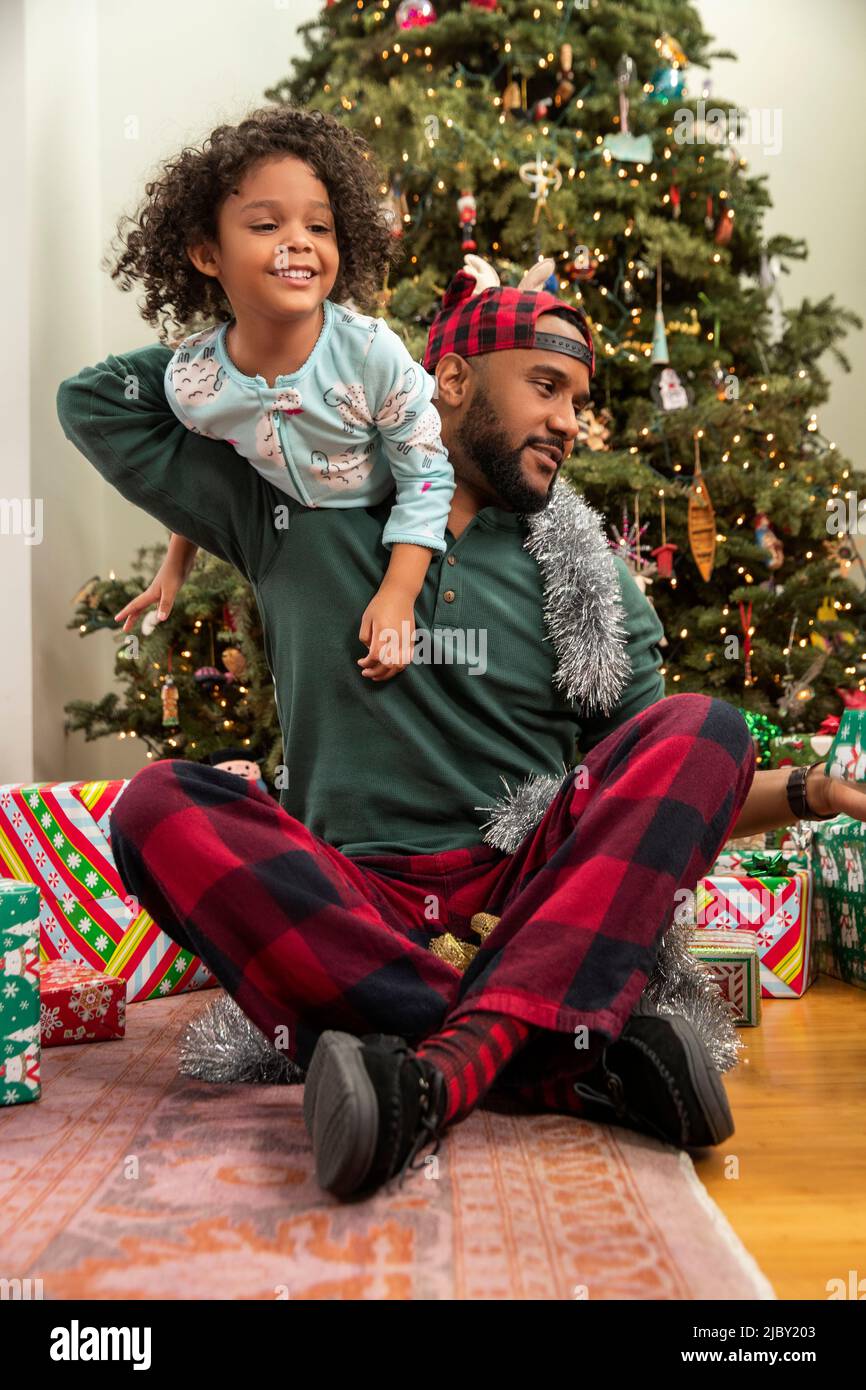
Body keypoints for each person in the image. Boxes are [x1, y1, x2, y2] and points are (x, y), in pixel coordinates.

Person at [56, 202, 847, 1205]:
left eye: (579, 399)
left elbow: (648, 804)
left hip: (530, 892)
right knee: (158, 807)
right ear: (455, 380)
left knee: (710, 727)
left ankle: (434, 1070)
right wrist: (276, 325)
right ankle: (565, 1052)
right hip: (357, 900)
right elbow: (95, 403)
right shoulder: (296, 502)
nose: (569, 420)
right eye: (547, 387)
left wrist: (816, 788)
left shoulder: (595, 585)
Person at [108, 106, 455, 681]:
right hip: (296, 532)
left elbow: (427, 474)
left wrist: (399, 592)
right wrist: (175, 565)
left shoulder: (370, 352)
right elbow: (205, 469)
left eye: (318, 227)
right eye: (267, 226)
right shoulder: (193, 380)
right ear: (207, 254)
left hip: (400, 506)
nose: (298, 242)